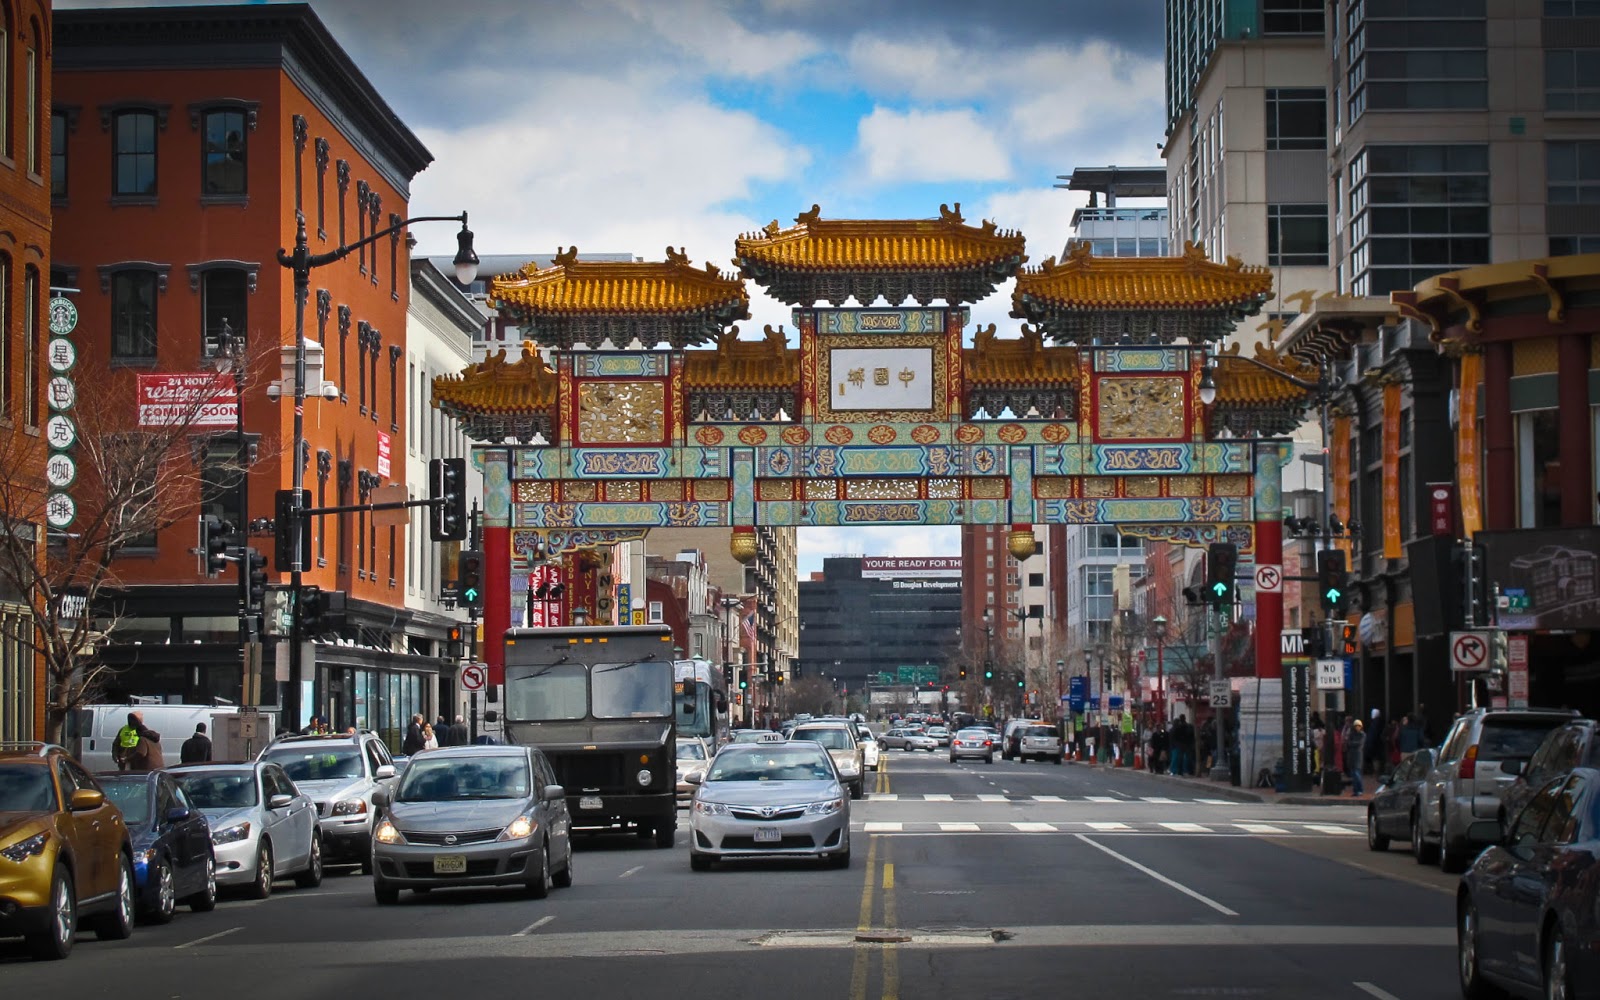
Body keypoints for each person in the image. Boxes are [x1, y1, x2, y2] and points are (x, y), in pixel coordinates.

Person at [1345, 719, 1367, 796]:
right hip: (1351, 755)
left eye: (1359, 726)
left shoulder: (1362, 734)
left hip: (1358, 755)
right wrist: (1353, 744)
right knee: (1353, 774)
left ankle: (1360, 790)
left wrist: (1352, 744)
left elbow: (1359, 744)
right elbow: (1348, 743)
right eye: (1356, 726)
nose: (1357, 727)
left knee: (1357, 773)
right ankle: (1355, 790)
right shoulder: (1352, 734)